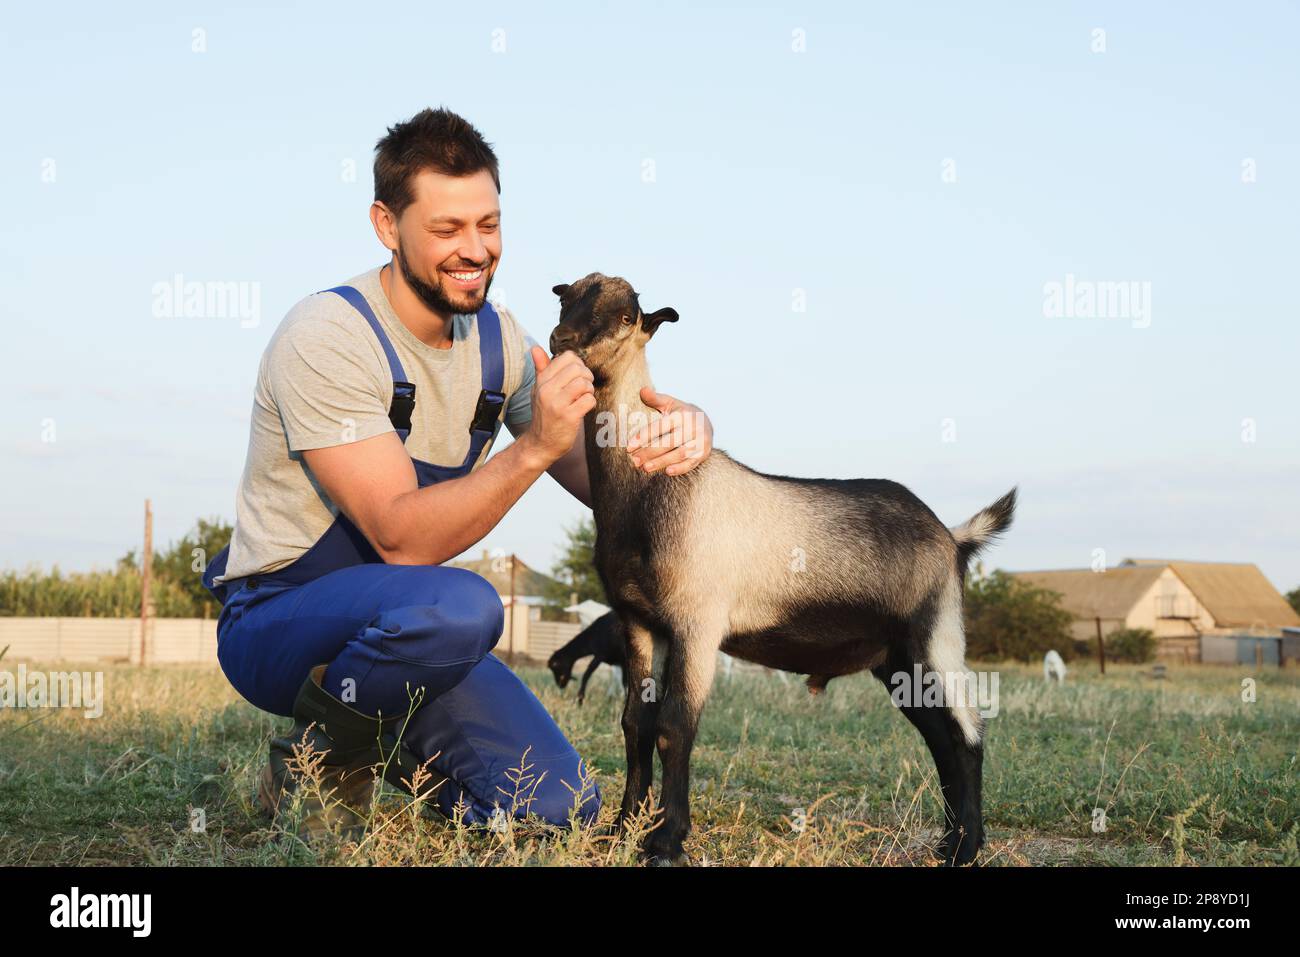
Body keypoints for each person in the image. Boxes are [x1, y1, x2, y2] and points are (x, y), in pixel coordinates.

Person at [201, 108, 714, 836]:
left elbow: (605, 480)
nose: (474, 250)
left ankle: (380, 739)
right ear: (387, 224)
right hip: (282, 615)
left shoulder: (500, 339)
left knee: (558, 807)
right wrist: (532, 447)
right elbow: (400, 540)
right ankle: (315, 766)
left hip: (412, 630)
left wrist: (683, 441)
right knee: (465, 607)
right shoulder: (329, 335)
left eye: (489, 224)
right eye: (447, 230)